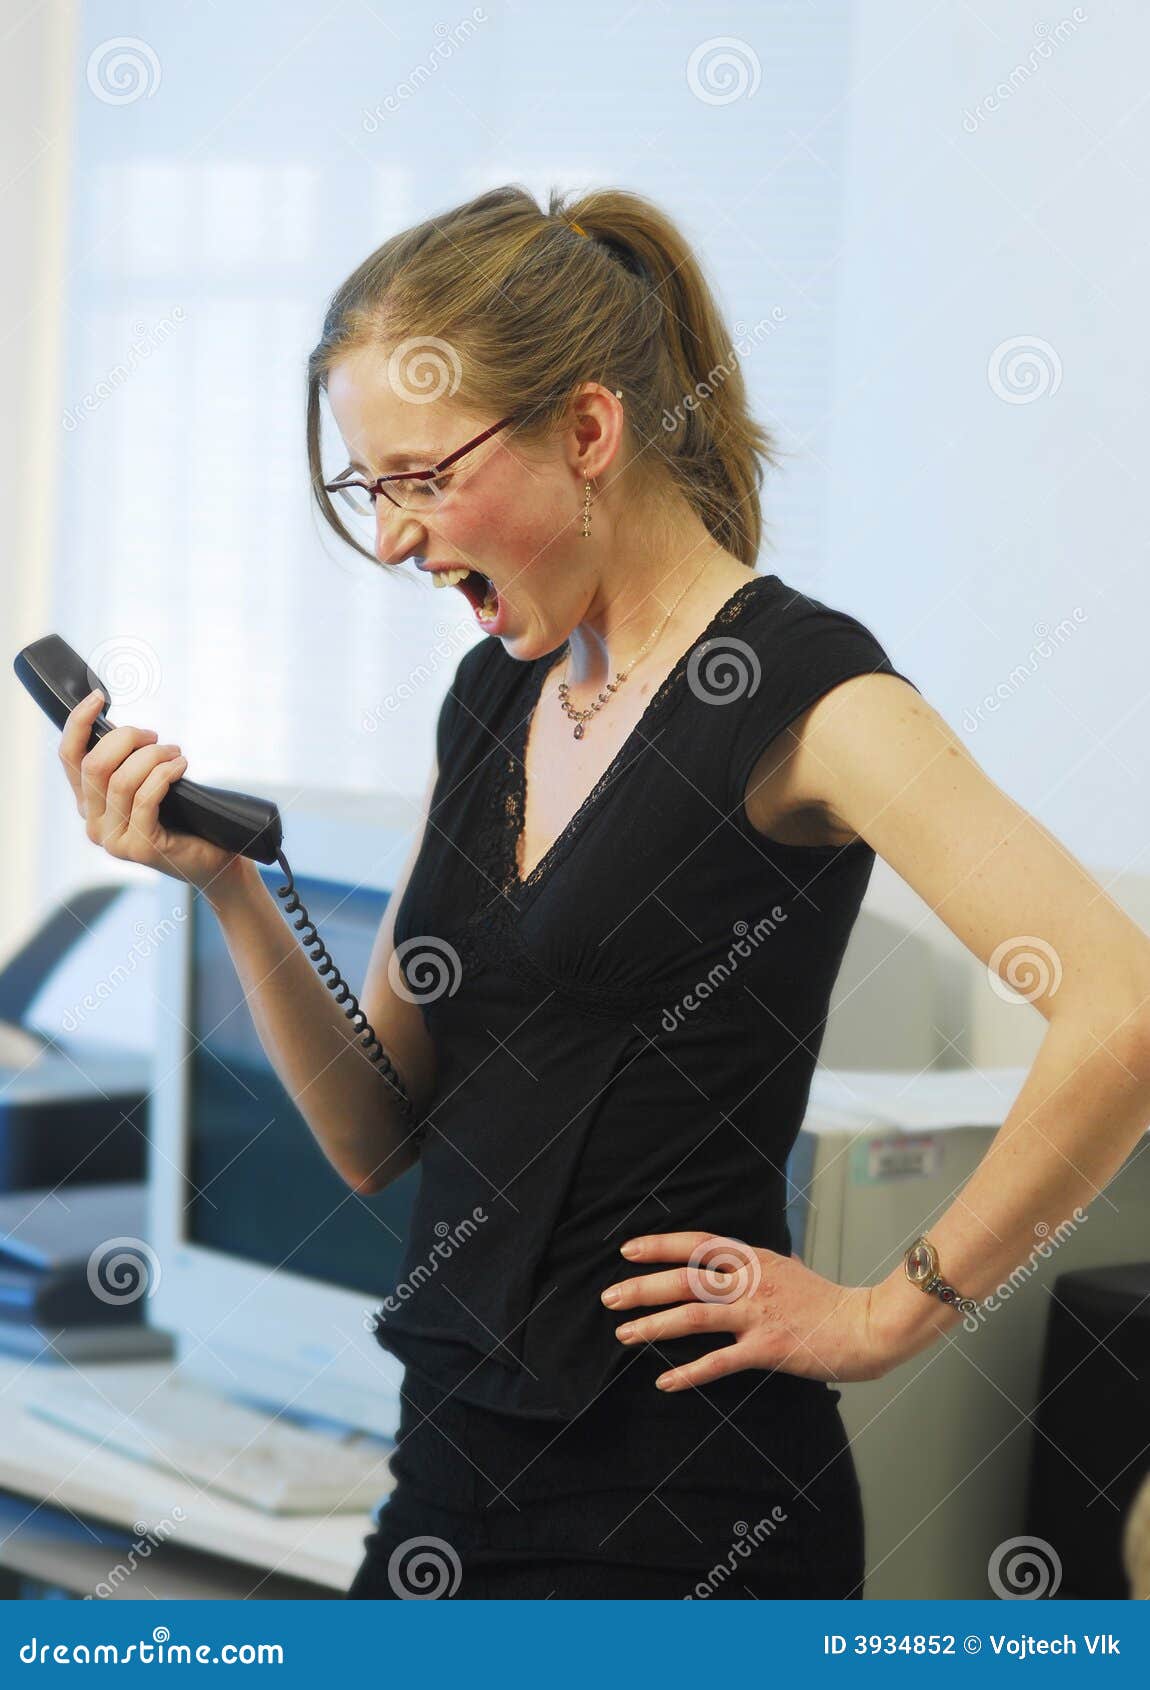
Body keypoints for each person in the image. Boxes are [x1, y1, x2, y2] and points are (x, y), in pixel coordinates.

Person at [59, 185, 1150, 1602]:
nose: (391, 537)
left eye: (418, 477)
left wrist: (885, 1312)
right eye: (363, 488)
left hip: (684, 1515)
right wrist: (225, 888)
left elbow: (1117, 1008)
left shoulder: (806, 694)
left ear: (586, 430)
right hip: (446, 1478)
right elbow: (377, 1132)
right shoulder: (492, 694)